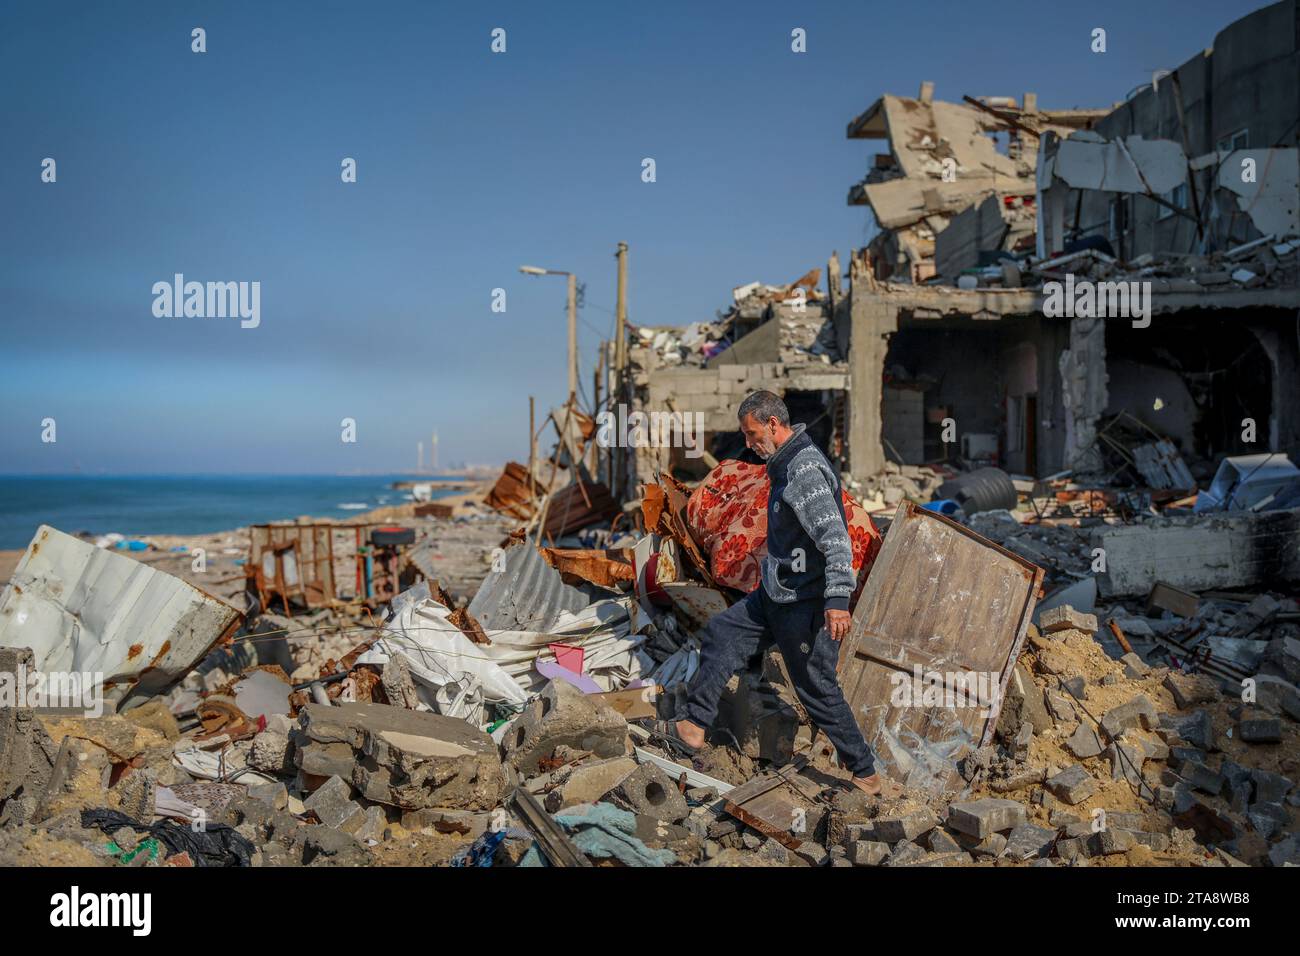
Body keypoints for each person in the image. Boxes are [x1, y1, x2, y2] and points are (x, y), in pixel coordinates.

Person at [671, 390, 901, 798]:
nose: (748, 443)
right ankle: (693, 726)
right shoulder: (782, 464)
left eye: (753, 433)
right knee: (723, 632)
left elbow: (836, 541)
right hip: (775, 594)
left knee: (816, 687)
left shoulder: (805, 470)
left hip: (806, 604)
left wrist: (835, 602)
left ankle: (865, 773)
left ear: (774, 425)